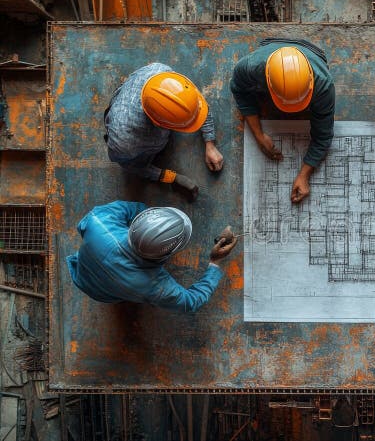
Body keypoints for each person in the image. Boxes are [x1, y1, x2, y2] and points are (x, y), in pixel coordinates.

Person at [66, 201, 237, 312]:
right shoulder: (153, 286)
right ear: (167, 254)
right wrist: (215, 262)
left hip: (82, 276)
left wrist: (155, 221)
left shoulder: (99, 221)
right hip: (108, 295)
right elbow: (190, 302)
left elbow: (130, 210)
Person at [230, 39, 335, 204]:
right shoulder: (252, 67)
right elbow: (238, 89)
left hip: (314, 52)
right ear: (268, 82)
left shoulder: (324, 85)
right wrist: (258, 134)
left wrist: (304, 174)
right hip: (269, 45)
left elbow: (323, 135)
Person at [105, 63, 224, 201]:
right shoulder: (125, 143)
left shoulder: (161, 73)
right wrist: (170, 177)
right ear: (160, 124)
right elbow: (131, 165)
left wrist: (210, 143)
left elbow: (196, 106)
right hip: (127, 133)